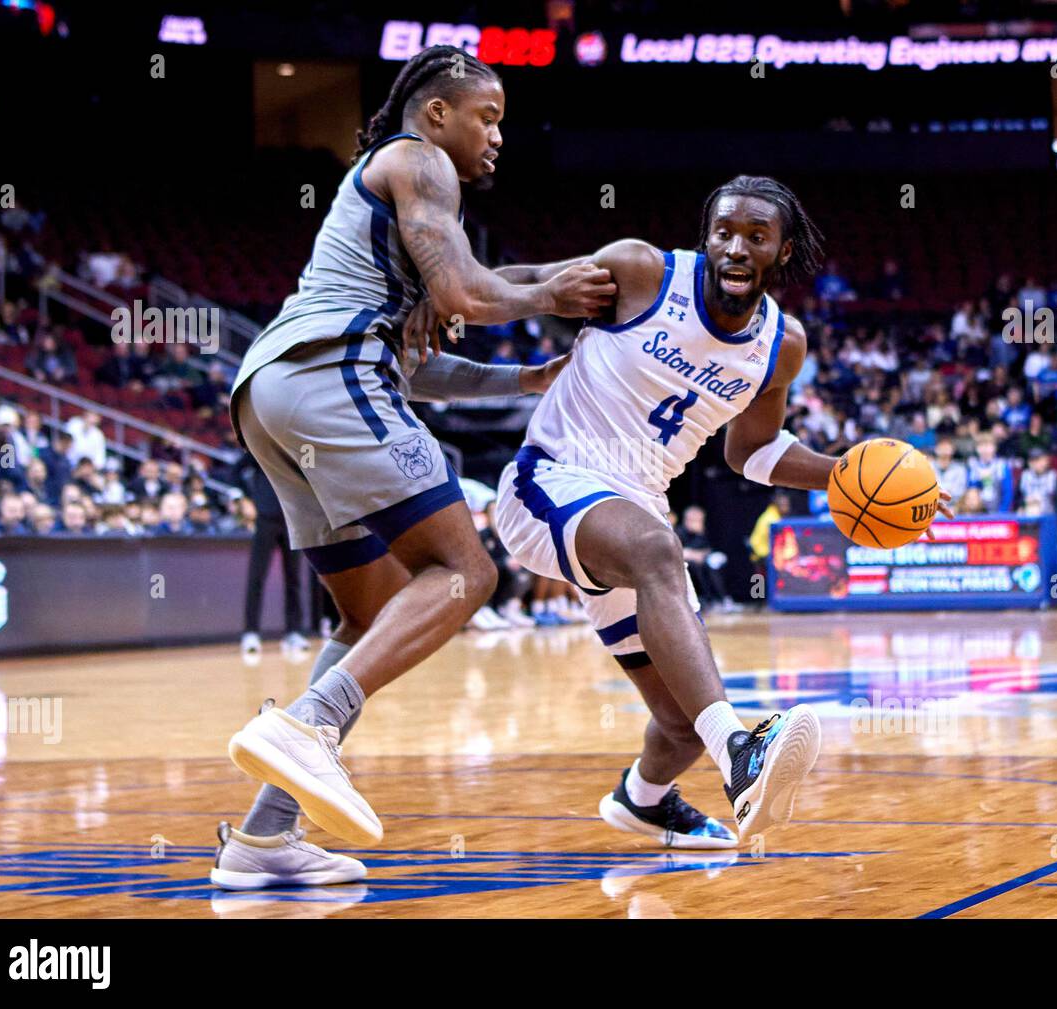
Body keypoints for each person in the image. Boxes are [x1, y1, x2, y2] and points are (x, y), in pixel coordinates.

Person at [215, 46, 614, 891]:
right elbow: (470, 293)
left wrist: (526, 378)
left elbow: (416, 365)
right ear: (436, 113)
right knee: (465, 570)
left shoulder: (388, 226)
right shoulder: (419, 160)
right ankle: (310, 722)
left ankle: (262, 838)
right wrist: (552, 295)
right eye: (489, 115)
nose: (498, 135)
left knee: (374, 615)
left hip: (273, 394)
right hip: (326, 376)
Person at [491, 176, 950, 850]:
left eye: (755, 236)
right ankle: (740, 753)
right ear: (706, 237)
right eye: (724, 232)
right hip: (549, 481)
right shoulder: (641, 272)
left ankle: (642, 799)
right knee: (659, 552)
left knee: (678, 718)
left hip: (632, 512)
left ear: (781, 250)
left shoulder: (779, 345)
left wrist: (846, 475)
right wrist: (444, 299)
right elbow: (528, 278)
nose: (736, 247)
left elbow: (753, 452)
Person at [240, 460, 307, 661]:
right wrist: (247, 498)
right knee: (256, 577)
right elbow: (236, 471)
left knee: (293, 577)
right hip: (265, 519)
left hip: (292, 520)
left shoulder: (296, 445)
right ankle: (250, 633)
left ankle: (293, 632)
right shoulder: (259, 442)